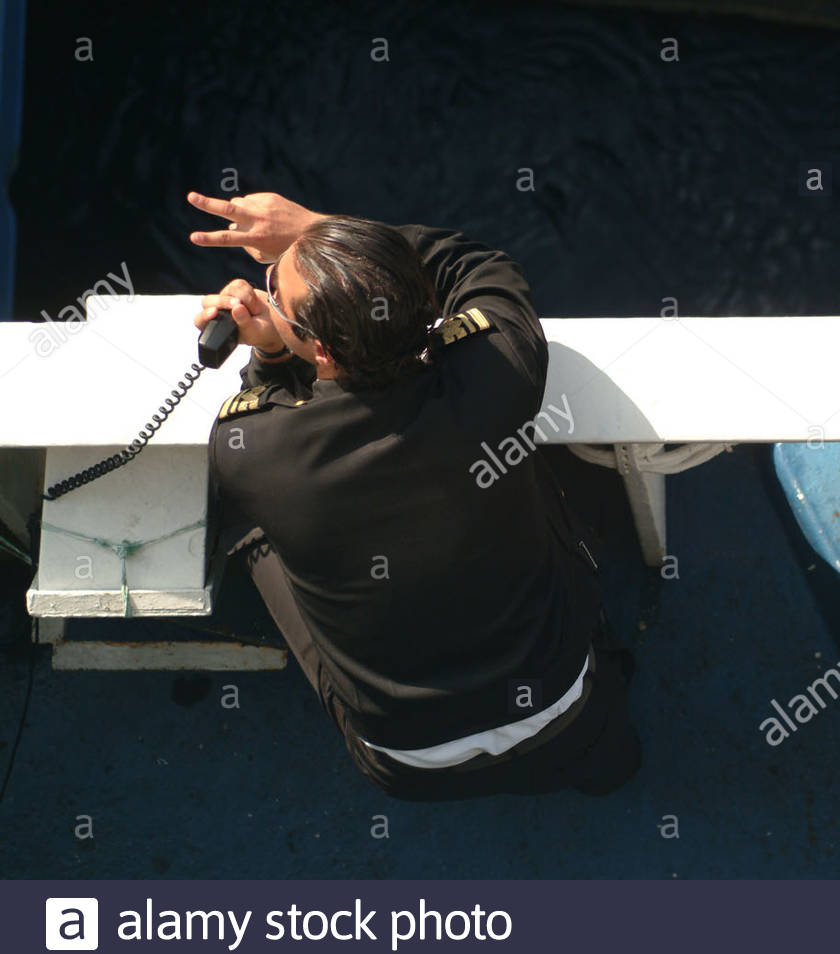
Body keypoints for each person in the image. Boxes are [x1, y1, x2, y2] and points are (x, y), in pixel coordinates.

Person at [187, 190, 640, 799]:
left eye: (275, 291)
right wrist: (324, 228)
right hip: (560, 706)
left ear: (318, 350)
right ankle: (612, 771)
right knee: (606, 752)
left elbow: (274, 416)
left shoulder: (254, 453)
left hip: (408, 762)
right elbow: (475, 264)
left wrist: (270, 354)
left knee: (251, 528)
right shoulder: (499, 376)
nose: (266, 289)